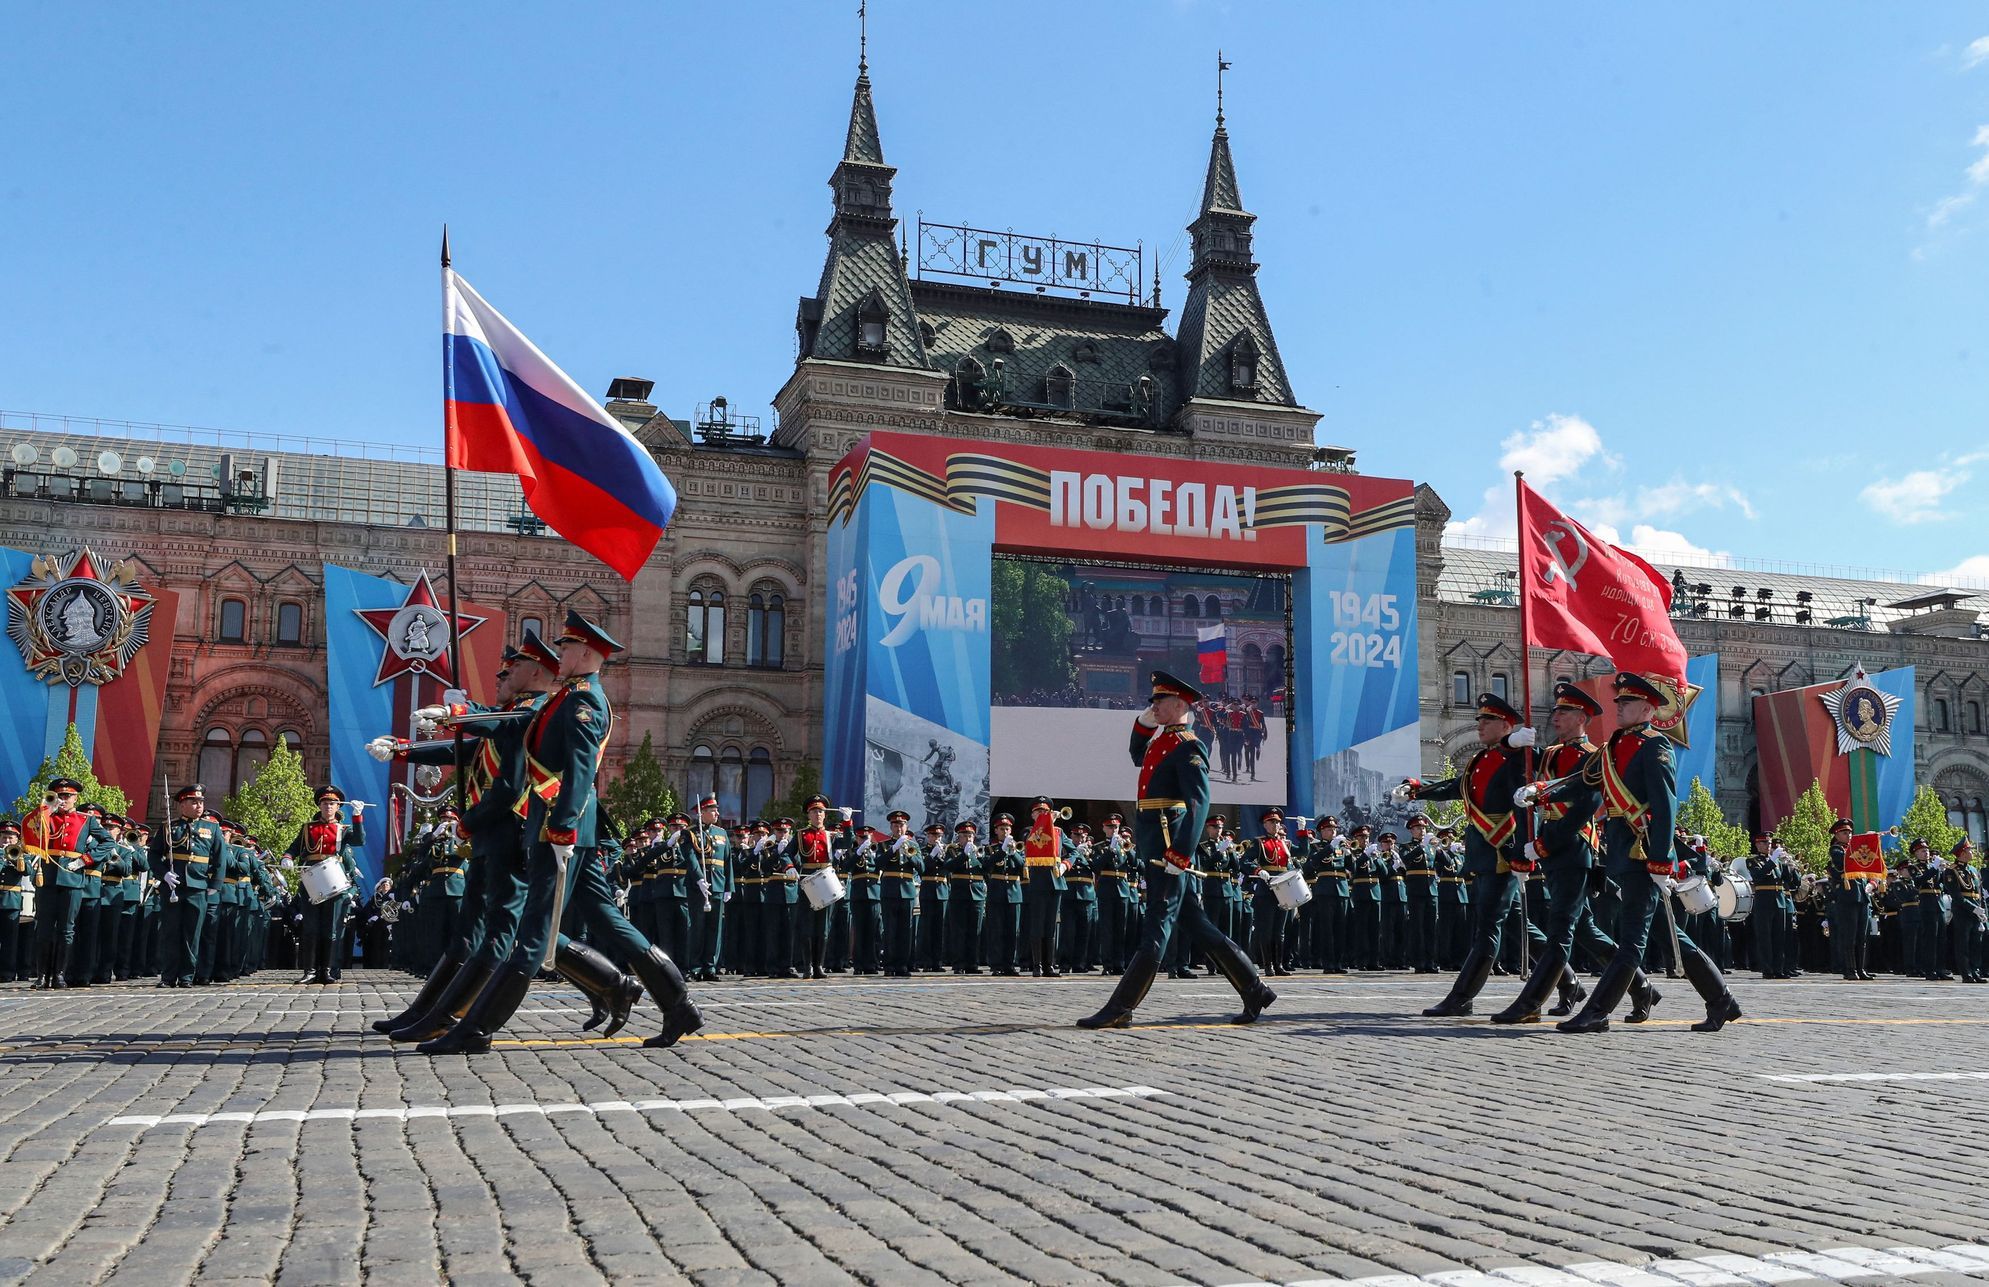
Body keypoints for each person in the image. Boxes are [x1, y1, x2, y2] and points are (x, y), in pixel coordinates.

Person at [425, 610, 700, 1054]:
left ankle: (476, 1029)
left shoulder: (585, 700)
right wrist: (460, 715)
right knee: (607, 919)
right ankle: (678, 1003)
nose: (562, 652)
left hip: (561, 827)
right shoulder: (565, 697)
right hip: (563, 825)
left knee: (536, 932)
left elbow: (579, 770)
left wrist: (563, 825)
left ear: (588, 652)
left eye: (568, 646)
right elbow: (516, 724)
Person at [1531, 672, 1741, 1035]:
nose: (1619, 708)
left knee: (1632, 940)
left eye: (1626, 703)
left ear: (1647, 708)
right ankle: (1721, 1000)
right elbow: (1586, 780)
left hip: (1644, 854)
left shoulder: (1654, 745)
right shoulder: (1616, 744)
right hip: (1626, 853)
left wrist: (1661, 858)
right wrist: (1545, 791)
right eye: (1618, 703)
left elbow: (1664, 804)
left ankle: (1597, 1011)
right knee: (1671, 935)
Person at [1078, 671, 1275, 1029]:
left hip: (1168, 848)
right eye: (1152, 700)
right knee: (1196, 925)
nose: (1153, 705)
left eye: (1159, 701)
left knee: (1155, 928)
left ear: (1181, 704)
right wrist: (1142, 724)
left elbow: (1199, 803)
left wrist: (1181, 854)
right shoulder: (1161, 739)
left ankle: (1121, 1006)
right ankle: (1254, 988)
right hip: (1156, 843)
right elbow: (1137, 754)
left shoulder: (1189, 743)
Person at [1493, 683, 1656, 1025]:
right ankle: (1640, 987)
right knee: (1585, 931)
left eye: (1563, 712)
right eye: (1555, 711)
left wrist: (1544, 843)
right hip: (1552, 848)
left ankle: (1530, 1003)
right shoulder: (1551, 753)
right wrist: (1513, 740)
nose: (1556, 716)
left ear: (1581, 718)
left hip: (1573, 847)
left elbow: (1587, 806)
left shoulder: (1591, 755)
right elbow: (1509, 758)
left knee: (1560, 931)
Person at [1397, 693, 1543, 1016]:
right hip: (1485, 855)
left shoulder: (1515, 758)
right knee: (1520, 928)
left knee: (1488, 927)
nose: (1480, 725)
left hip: (1503, 855)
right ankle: (1566, 982)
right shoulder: (1482, 759)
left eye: (1487, 720)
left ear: (1506, 725)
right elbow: (1457, 786)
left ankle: (1461, 997)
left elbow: (1525, 809)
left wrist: (1523, 854)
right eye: (1479, 719)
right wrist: (1419, 790)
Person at [1021, 798, 1067, 977]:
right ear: (1033, 815)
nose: (1042, 814)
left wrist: (1065, 865)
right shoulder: (1031, 833)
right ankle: (1037, 964)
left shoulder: (1059, 832)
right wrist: (1045, 824)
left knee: (1050, 925)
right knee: (1037, 924)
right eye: (1039, 812)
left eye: (1045, 811)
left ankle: (1049, 965)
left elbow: (1073, 852)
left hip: (1055, 881)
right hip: (1038, 882)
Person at [1825, 820, 1876, 982]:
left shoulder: (1854, 849)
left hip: (1862, 895)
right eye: (1845, 833)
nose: (1849, 835)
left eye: (1850, 833)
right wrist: (1864, 843)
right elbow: (1847, 862)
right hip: (1847, 896)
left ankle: (1861, 969)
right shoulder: (1836, 850)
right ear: (1837, 835)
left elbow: (1868, 865)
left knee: (1862, 936)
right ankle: (1849, 969)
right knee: (1849, 935)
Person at [944, 820, 984, 973]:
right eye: (964, 835)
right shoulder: (952, 851)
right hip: (959, 895)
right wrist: (964, 855)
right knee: (959, 931)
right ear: (958, 837)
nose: (968, 838)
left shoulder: (979, 851)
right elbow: (948, 866)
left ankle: (972, 964)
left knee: (975, 931)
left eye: (970, 835)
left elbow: (985, 868)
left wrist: (974, 855)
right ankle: (959, 964)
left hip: (977, 895)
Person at [1946, 840, 1985, 984]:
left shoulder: (1973, 870)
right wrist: (1974, 908)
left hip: (1976, 910)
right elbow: (1956, 896)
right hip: (1963, 911)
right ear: (1962, 853)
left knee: (1976, 943)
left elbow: (1979, 893)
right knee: (1963, 943)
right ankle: (1966, 972)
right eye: (1970, 850)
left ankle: (1975, 970)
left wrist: (1983, 911)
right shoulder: (1951, 870)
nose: (1972, 852)